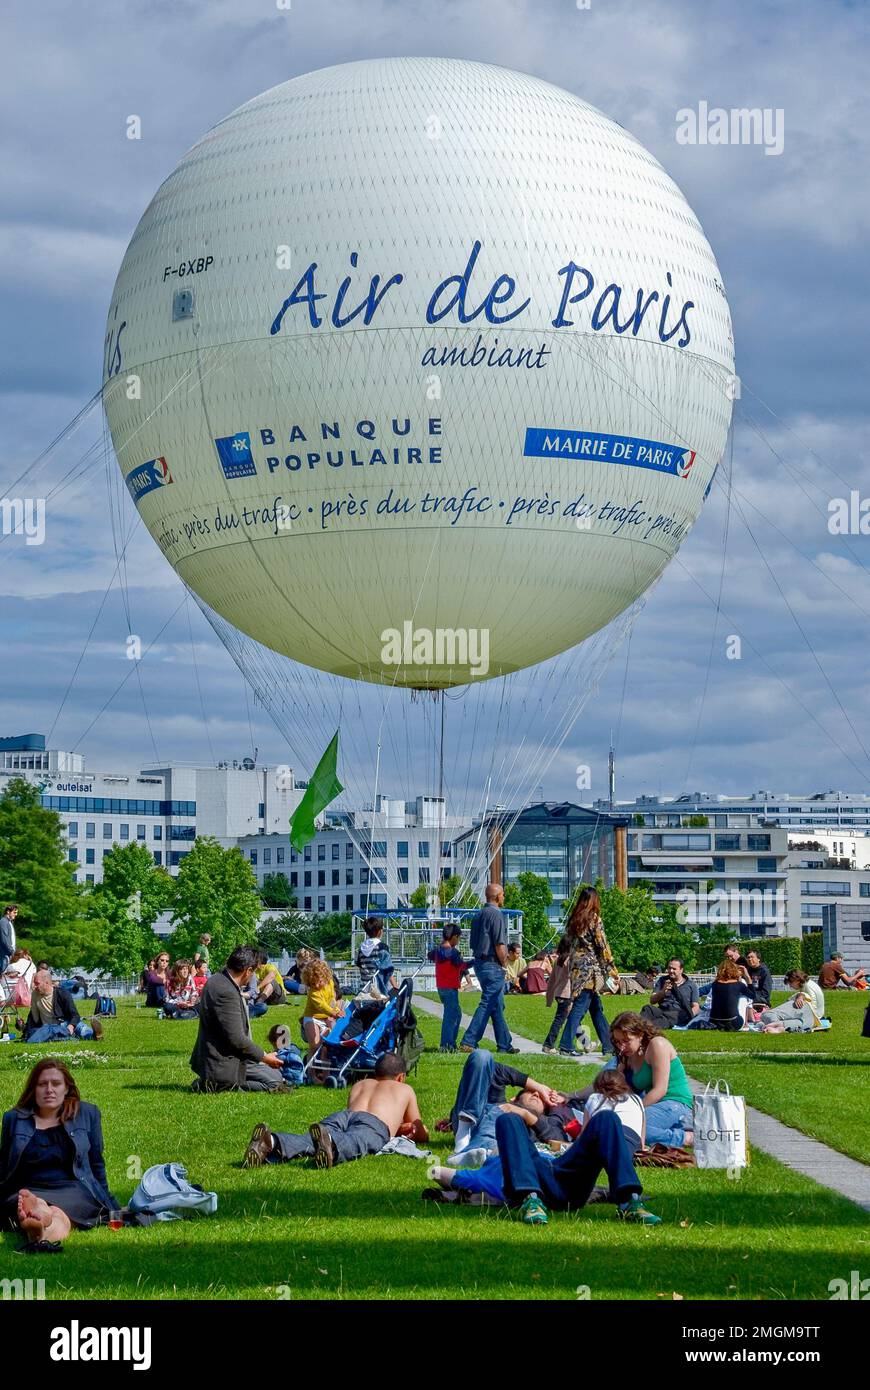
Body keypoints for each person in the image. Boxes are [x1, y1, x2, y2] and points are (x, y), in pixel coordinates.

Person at [0, 1058, 118, 1250]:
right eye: (42, 1084)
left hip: (73, 1189)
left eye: (56, 1084)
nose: (49, 1090)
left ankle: (39, 1225)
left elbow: (96, 1162)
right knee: (32, 1201)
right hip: (26, 1189)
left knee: (60, 1213)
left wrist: (107, 1200)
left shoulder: (87, 1114)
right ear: (33, 1089)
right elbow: (4, 1165)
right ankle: (39, 1217)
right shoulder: (14, 1118)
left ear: (66, 1089)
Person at [242, 1052, 427, 1168]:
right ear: (401, 1077)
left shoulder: (361, 1084)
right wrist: (412, 1129)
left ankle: (272, 1141)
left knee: (307, 1140)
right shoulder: (404, 1089)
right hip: (373, 1123)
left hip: (345, 1117)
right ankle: (330, 1143)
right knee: (356, 1140)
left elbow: (353, 1119)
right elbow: (418, 1130)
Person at [492, 1104, 659, 1227]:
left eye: (537, 1094)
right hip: (536, 1178)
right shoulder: (514, 1136)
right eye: (529, 1093)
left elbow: (554, 1134)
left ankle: (629, 1201)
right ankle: (531, 1201)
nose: (535, 1095)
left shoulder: (554, 1118)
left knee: (606, 1117)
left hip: (570, 1173)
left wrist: (530, 1116)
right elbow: (481, 1177)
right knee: (507, 1119)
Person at [443, 1047, 572, 1165]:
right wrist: (537, 1086)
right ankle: (466, 1130)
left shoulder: (543, 1122)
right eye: (531, 1092)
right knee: (482, 1055)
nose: (537, 1095)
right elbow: (491, 1067)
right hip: (466, 1117)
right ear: (514, 1098)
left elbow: (559, 1140)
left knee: (504, 1116)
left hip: (499, 1132)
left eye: (542, 1099)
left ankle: (477, 1150)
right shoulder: (497, 1097)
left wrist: (526, 1114)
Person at [190, 945, 283, 1092]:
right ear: (248, 971)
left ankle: (212, 1082)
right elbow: (237, 1038)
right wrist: (265, 1057)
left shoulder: (217, 980)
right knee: (275, 1081)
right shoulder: (225, 990)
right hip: (222, 1062)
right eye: (254, 972)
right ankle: (216, 1085)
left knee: (276, 1076)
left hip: (220, 1056)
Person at [611, 1011, 694, 1148]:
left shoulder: (657, 1045)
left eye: (626, 1041)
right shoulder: (629, 1055)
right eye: (618, 1042)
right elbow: (618, 1086)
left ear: (640, 1035)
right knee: (622, 1124)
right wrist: (573, 1096)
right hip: (657, 1106)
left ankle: (686, 1138)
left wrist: (635, 1109)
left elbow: (660, 1090)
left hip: (677, 1103)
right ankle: (676, 1129)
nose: (621, 1047)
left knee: (635, 1126)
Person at [555, 888, 617, 1056]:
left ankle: (609, 1045)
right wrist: (611, 968)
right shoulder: (594, 919)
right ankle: (566, 1045)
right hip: (590, 969)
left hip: (576, 967)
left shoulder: (574, 920)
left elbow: (566, 944)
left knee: (596, 1008)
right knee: (580, 1007)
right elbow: (602, 945)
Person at [460, 884, 517, 1054]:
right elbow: (500, 944)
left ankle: (505, 1044)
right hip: (493, 965)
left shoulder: (478, 915)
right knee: (487, 1003)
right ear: (498, 896)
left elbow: (473, 943)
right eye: (503, 895)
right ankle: (468, 1041)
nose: (504, 898)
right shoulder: (496, 915)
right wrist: (505, 965)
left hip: (480, 964)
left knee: (496, 1005)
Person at [23, 971, 101, 1043]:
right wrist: (24, 1030)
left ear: (46, 983)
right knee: (41, 1031)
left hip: (63, 1024)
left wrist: (71, 1026)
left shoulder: (63, 994)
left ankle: (93, 1035)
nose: (35, 986)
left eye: (37, 983)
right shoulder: (35, 995)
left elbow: (75, 1015)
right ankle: (76, 1036)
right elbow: (33, 1016)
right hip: (46, 1028)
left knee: (79, 1026)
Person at [428, 924, 470, 1051]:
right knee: (450, 1017)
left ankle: (450, 1043)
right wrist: (476, 962)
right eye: (458, 938)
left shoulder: (437, 951)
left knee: (456, 1014)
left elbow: (430, 955)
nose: (458, 941)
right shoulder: (453, 952)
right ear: (454, 937)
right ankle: (447, 1045)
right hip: (451, 989)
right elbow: (462, 966)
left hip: (441, 988)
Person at [301, 958, 344, 1067]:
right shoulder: (313, 992)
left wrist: (337, 1011)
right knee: (314, 1045)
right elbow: (321, 1006)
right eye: (312, 983)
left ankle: (325, 1070)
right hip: (312, 1017)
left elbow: (331, 1001)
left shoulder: (330, 983)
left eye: (319, 982)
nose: (316, 985)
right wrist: (333, 1013)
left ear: (325, 976)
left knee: (327, 1046)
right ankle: (310, 1073)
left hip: (326, 1018)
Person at [641, 958, 699, 1029]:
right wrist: (663, 991)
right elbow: (652, 1001)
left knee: (665, 1019)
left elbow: (696, 1006)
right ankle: (638, 1026)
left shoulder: (691, 985)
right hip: (662, 1010)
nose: (671, 971)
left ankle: (646, 1028)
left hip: (677, 1013)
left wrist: (689, 1018)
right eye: (669, 968)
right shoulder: (662, 980)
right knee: (647, 1008)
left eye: (674, 969)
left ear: (681, 970)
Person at [542, 941, 573, 1052]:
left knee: (573, 1019)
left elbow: (551, 980)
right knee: (560, 1020)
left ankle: (586, 1043)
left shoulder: (558, 961)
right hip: (567, 994)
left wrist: (549, 999)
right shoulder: (569, 961)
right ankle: (548, 1044)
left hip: (559, 993)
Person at [355, 917, 396, 1000]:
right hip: (378, 991)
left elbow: (360, 967)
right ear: (379, 931)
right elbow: (388, 970)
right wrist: (396, 987)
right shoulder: (382, 947)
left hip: (363, 988)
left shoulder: (361, 948)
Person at [707, 959, 751, 1030]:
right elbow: (752, 995)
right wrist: (747, 977)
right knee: (744, 998)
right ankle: (745, 1023)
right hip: (733, 1022)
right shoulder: (739, 984)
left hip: (714, 1021)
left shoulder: (715, 984)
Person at [0, 904, 18, 977]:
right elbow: (4, 939)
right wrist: (11, 952)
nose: (16, 915)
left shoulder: (8, 922)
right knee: (2, 973)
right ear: (8, 912)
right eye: (14, 912)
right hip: (4, 954)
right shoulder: (3, 922)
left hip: (7, 954)